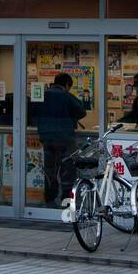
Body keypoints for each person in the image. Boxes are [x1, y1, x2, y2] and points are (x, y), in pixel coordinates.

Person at [37, 73, 86, 205]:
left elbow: (33, 113)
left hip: (46, 139)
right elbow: (82, 111)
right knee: (67, 171)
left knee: (49, 171)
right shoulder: (66, 95)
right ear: (66, 85)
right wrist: (70, 117)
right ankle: (66, 201)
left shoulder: (43, 95)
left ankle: (50, 199)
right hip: (64, 139)